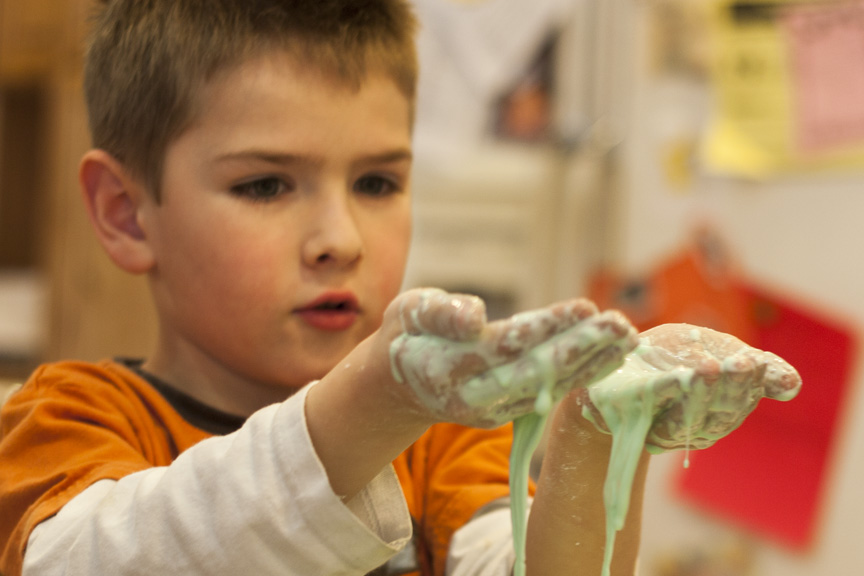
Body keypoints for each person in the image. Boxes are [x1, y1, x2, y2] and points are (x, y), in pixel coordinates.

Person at [0, 1, 801, 575]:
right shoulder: (68, 422)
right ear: (127, 214)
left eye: (378, 182)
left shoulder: (446, 441)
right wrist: (370, 403)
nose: (340, 239)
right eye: (267, 186)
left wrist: (598, 430)